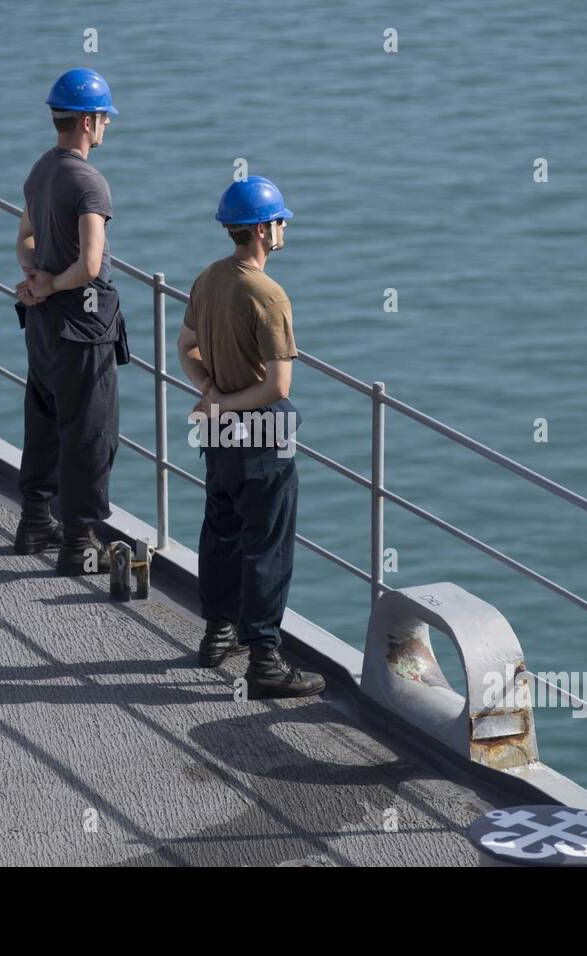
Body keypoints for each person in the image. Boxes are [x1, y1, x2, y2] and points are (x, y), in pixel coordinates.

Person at [176, 176, 324, 699]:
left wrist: (210, 392)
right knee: (268, 542)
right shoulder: (268, 294)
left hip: (219, 433)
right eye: (280, 221)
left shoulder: (209, 278)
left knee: (221, 527)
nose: (283, 229)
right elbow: (278, 384)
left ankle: (217, 632)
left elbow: (186, 344)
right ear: (263, 230)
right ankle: (263, 658)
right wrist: (228, 400)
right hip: (261, 433)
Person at [13, 68, 129, 574]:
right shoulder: (89, 183)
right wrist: (56, 282)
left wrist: (37, 280)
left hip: (43, 325)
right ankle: (79, 542)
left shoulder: (41, 170)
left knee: (44, 418)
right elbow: (89, 264)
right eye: (103, 117)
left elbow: (25, 243)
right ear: (88, 121)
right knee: (90, 432)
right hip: (84, 330)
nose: (105, 125)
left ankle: (36, 519)